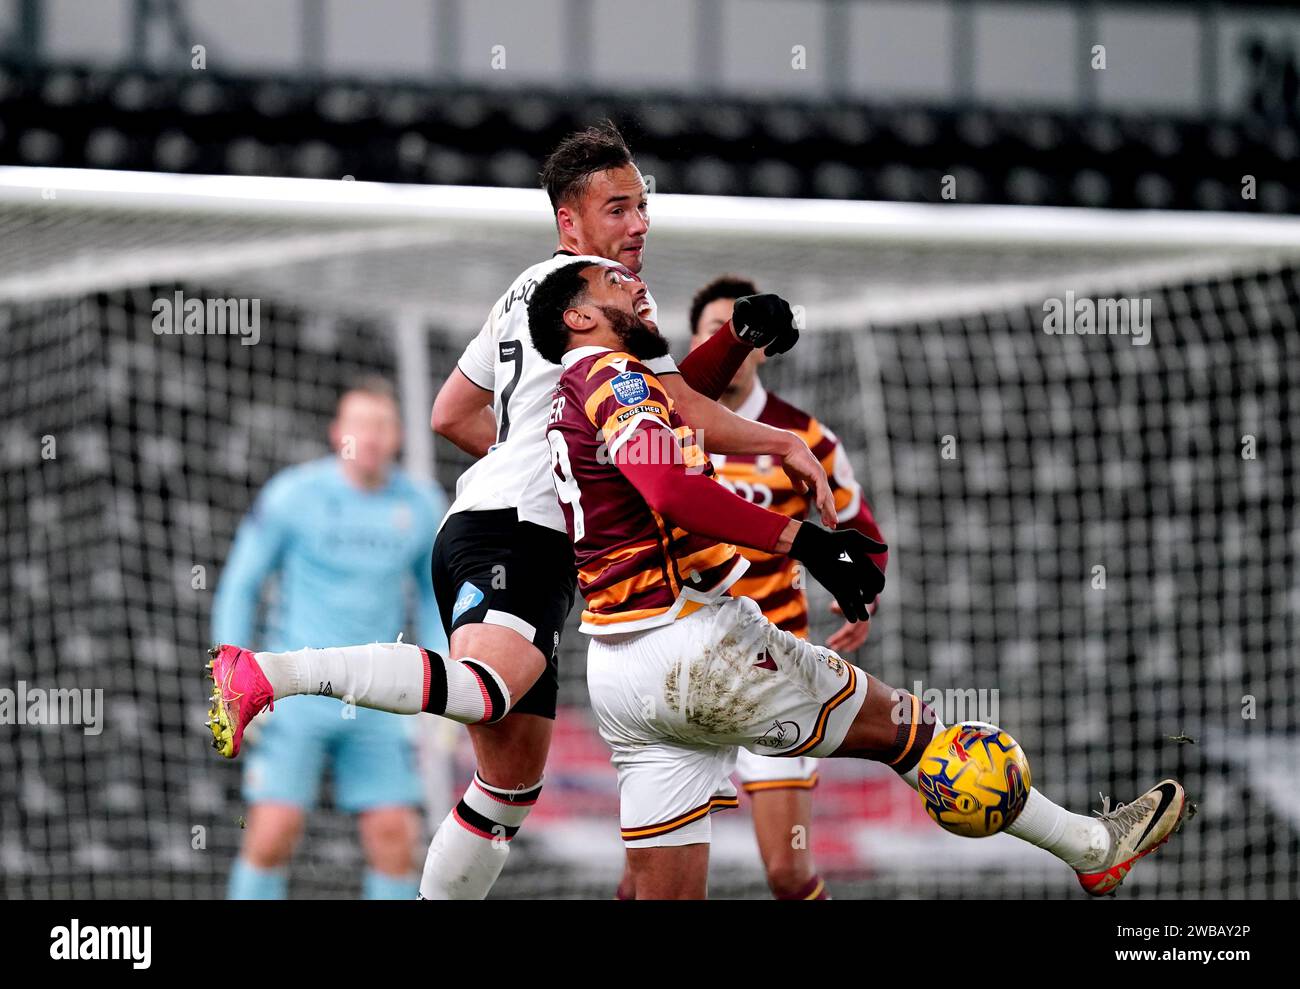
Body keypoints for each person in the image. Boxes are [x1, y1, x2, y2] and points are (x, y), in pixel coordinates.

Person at [205, 123, 833, 900]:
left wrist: (544, 462)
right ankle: (269, 671)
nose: (637, 224)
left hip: (509, 527)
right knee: (487, 689)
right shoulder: (591, 292)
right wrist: (767, 436)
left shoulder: (535, 290)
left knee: (506, 789)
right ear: (570, 222)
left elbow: (449, 411)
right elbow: (679, 405)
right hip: (514, 532)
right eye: (616, 209)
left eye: (642, 206)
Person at [528, 257, 1187, 900]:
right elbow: (668, 485)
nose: (636, 280)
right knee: (916, 730)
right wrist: (805, 539)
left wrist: (749, 374)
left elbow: (684, 402)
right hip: (697, 649)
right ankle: (1090, 846)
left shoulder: (581, 390)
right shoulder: (618, 377)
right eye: (614, 279)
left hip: (619, 669)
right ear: (579, 315)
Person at [615, 274, 889, 901]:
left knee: (788, 873)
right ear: (695, 339)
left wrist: (864, 597)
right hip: (686, 665)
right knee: (637, 885)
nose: (723, 339)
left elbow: (857, 529)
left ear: (761, 347)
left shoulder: (807, 438)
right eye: (712, 330)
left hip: (776, 664)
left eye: (735, 330)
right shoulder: (660, 428)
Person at [211, 377, 447, 899]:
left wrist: (441, 683)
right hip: (295, 693)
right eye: (360, 423)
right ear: (337, 431)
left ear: (399, 436)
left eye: (382, 424)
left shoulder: (422, 504)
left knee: (394, 838)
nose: (371, 435)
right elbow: (240, 584)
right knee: (272, 831)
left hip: (381, 698)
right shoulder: (294, 495)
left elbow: (434, 598)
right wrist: (232, 676)